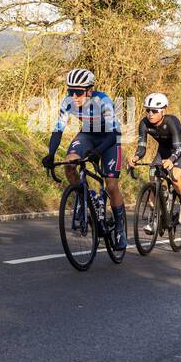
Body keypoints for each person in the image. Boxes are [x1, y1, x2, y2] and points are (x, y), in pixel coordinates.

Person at [43, 68, 126, 248]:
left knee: (111, 185)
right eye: (70, 91)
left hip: (110, 138)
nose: (74, 96)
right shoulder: (68, 102)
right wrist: (50, 154)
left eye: (78, 92)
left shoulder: (103, 101)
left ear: (89, 90)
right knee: (70, 162)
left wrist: (98, 152)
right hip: (88, 135)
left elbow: (113, 134)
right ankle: (84, 195)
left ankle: (120, 228)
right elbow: (58, 130)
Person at [131, 93, 181, 225]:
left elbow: (178, 148)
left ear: (163, 111)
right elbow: (142, 148)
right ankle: (155, 214)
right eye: (148, 110)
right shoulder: (144, 123)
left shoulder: (171, 122)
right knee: (152, 173)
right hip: (163, 150)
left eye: (154, 111)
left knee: (175, 176)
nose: (150, 114)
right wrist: (136, 157)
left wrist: (171, 160)